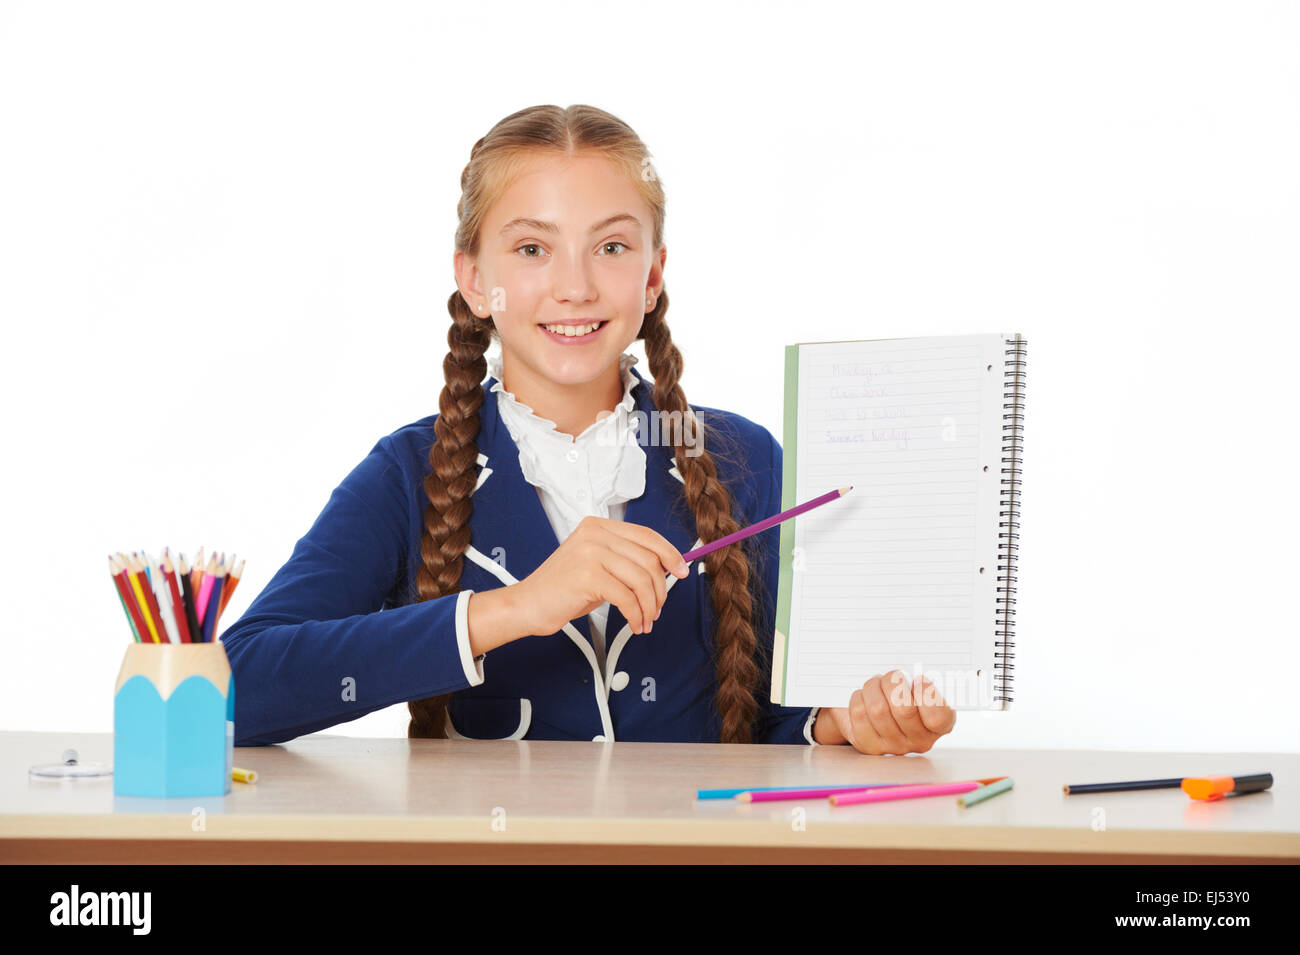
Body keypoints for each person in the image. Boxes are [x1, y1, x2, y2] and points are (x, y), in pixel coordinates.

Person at [221, 103, 957, 753]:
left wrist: (842, 724)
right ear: (476, 279)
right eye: (533, 249)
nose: (575, 286)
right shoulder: (406, 473)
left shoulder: (746, 461)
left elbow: (773, 724)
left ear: (653, 274)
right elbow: (233, 690)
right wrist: (514, 608)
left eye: (610, 247)